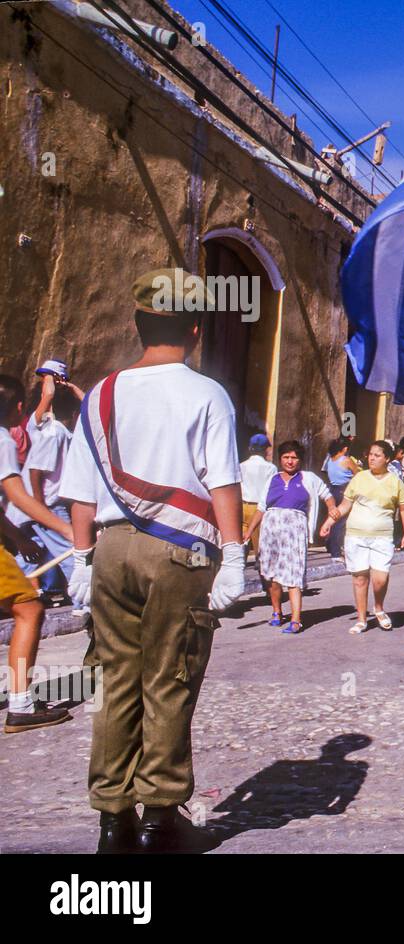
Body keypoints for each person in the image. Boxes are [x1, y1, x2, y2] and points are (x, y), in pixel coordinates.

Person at [61, 269, 245, 853]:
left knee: (115, 682)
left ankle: (111, 821)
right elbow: (223, 484)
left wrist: (80, 557)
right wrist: (235, 555)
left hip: (110, 550)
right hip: (181, 551)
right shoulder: (208, 394)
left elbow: (81, 492)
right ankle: (158, 820)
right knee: (170, 679)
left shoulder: (100, 395)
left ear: (139, 323)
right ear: (195, 329)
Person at [0, 374, 77, 734]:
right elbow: (17, 497)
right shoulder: (2, 439)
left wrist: (17, 539)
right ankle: (21, 704)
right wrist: (64, 529)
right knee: (30, 609)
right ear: (17, 408)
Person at [242, 440, 337, 634]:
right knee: (271, 575)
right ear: (280, 459)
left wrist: (332, 512)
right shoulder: (272, 479)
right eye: (286, 457)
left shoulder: (308, 478)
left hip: (295, 532)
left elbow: (327, 495)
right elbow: (261, 508)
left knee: (294, 575)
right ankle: (277, 612)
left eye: (294, 457)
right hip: (270, 532)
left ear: (300, 460)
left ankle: (296, 620)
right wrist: (249, 530)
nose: (290, 461)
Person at [321, 440, 404, 634]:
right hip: (356, 536)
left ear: (387, 459)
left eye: (377, 455)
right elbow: (345, 505)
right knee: (359, 579)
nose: (372, 458)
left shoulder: (395, 481)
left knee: (380, 578)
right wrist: (329, 522)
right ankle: (362, 619)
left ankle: (378, 608)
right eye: (370, 454)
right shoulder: (359, 478)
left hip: (383, 537)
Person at [11, 364, 83, 605]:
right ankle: (84, 603)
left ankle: (14, 595)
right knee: (70, 551)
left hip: (40, 504)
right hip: (46, 504)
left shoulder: (56, 430)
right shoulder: (51, 430)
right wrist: (40, 507)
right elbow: (36, 471)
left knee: (30, 551)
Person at [239, 433, 275, 560]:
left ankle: (240, 562)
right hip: (259, 508)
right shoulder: (271, 468)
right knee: (259, 540)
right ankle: (260, 564)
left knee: (242, 539)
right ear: (266, 449)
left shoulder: (242, 466)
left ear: (250, 448)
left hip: (243, 506)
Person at [322, 439, 359, 563]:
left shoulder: (330, 460)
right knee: (340, 522)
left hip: (332, 489)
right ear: (344, 449)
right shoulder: (346, 460)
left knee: (332, 519)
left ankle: (331, 546)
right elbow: (358, 474)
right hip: (344, 490)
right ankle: (336, 552)